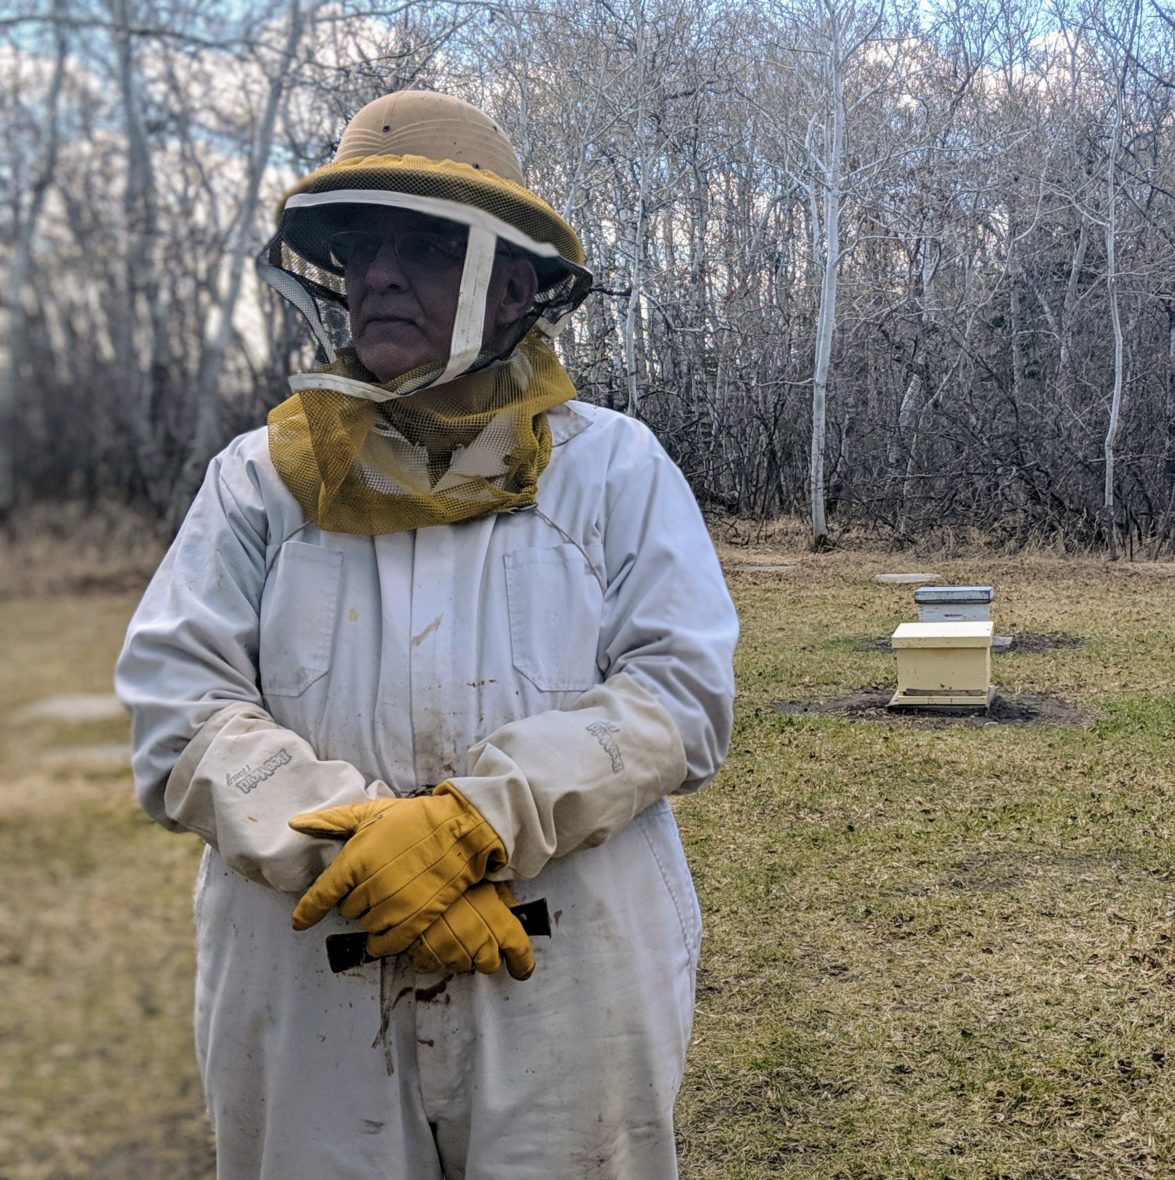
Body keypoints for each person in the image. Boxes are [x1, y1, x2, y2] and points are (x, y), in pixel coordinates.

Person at [116, 90, 738, 1180]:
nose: (381, 274)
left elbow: (680, 691)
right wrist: (355, 851)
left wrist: (475, 825)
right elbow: (178, 708)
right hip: (311, 972)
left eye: (426, 245)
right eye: (362, 248)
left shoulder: (612, 467)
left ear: (513, 284)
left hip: (565, 969)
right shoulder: (258, 481)